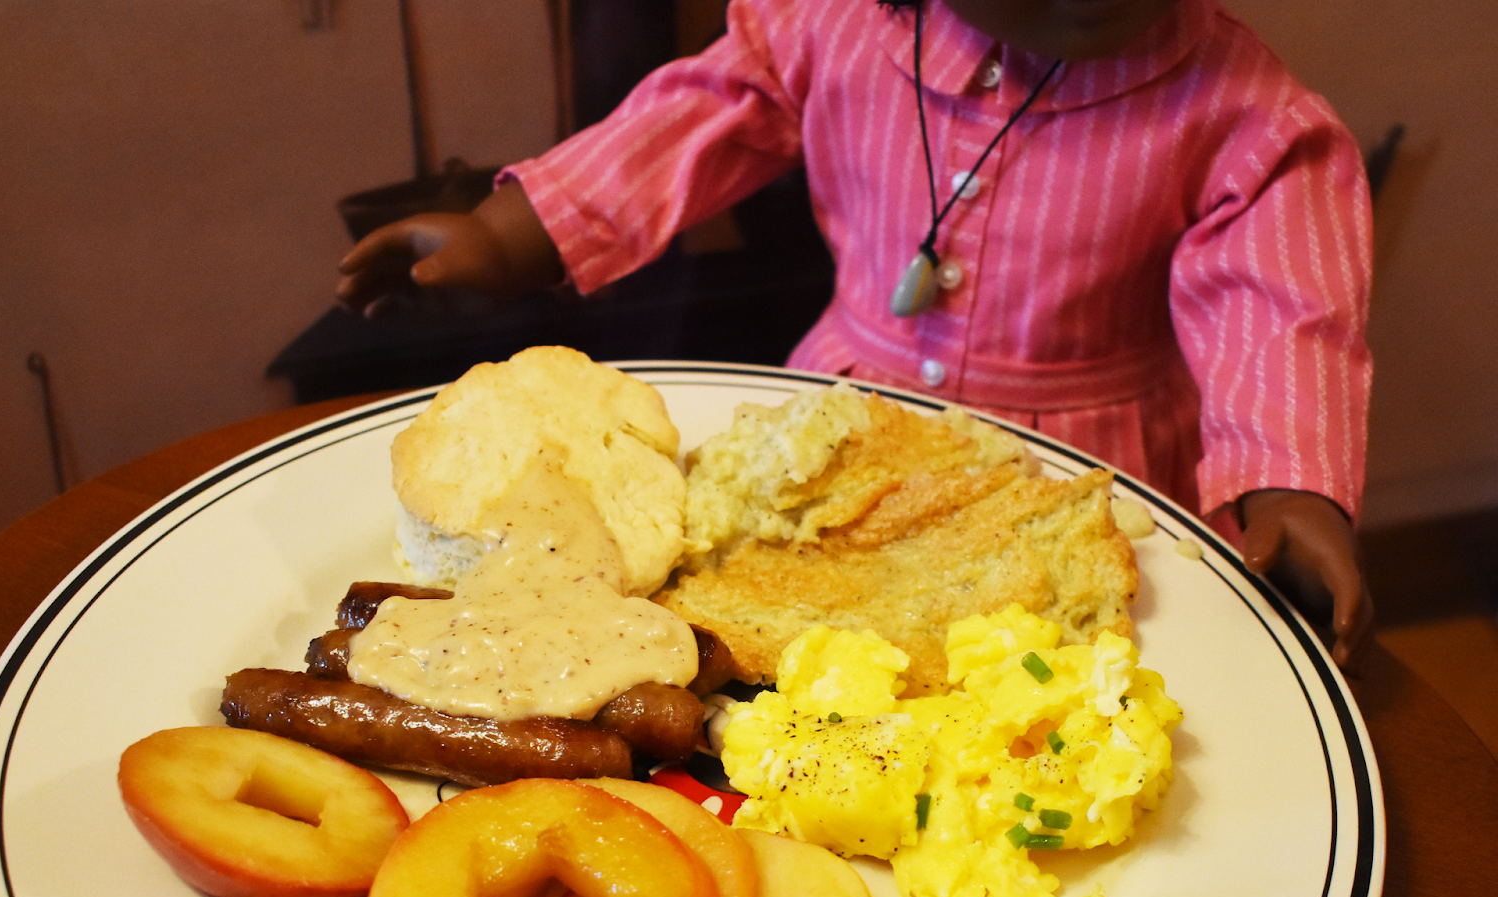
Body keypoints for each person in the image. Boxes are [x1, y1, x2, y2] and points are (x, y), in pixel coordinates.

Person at [336, 0, 1374, 667]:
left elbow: (1279, 295)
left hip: (1070, 479)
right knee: (777, 652)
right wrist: (514, 235)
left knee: (1047, 673)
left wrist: (1290, 481)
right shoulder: (832, 26)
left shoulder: (1241, 115)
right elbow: (698, 119)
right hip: (829, 450)